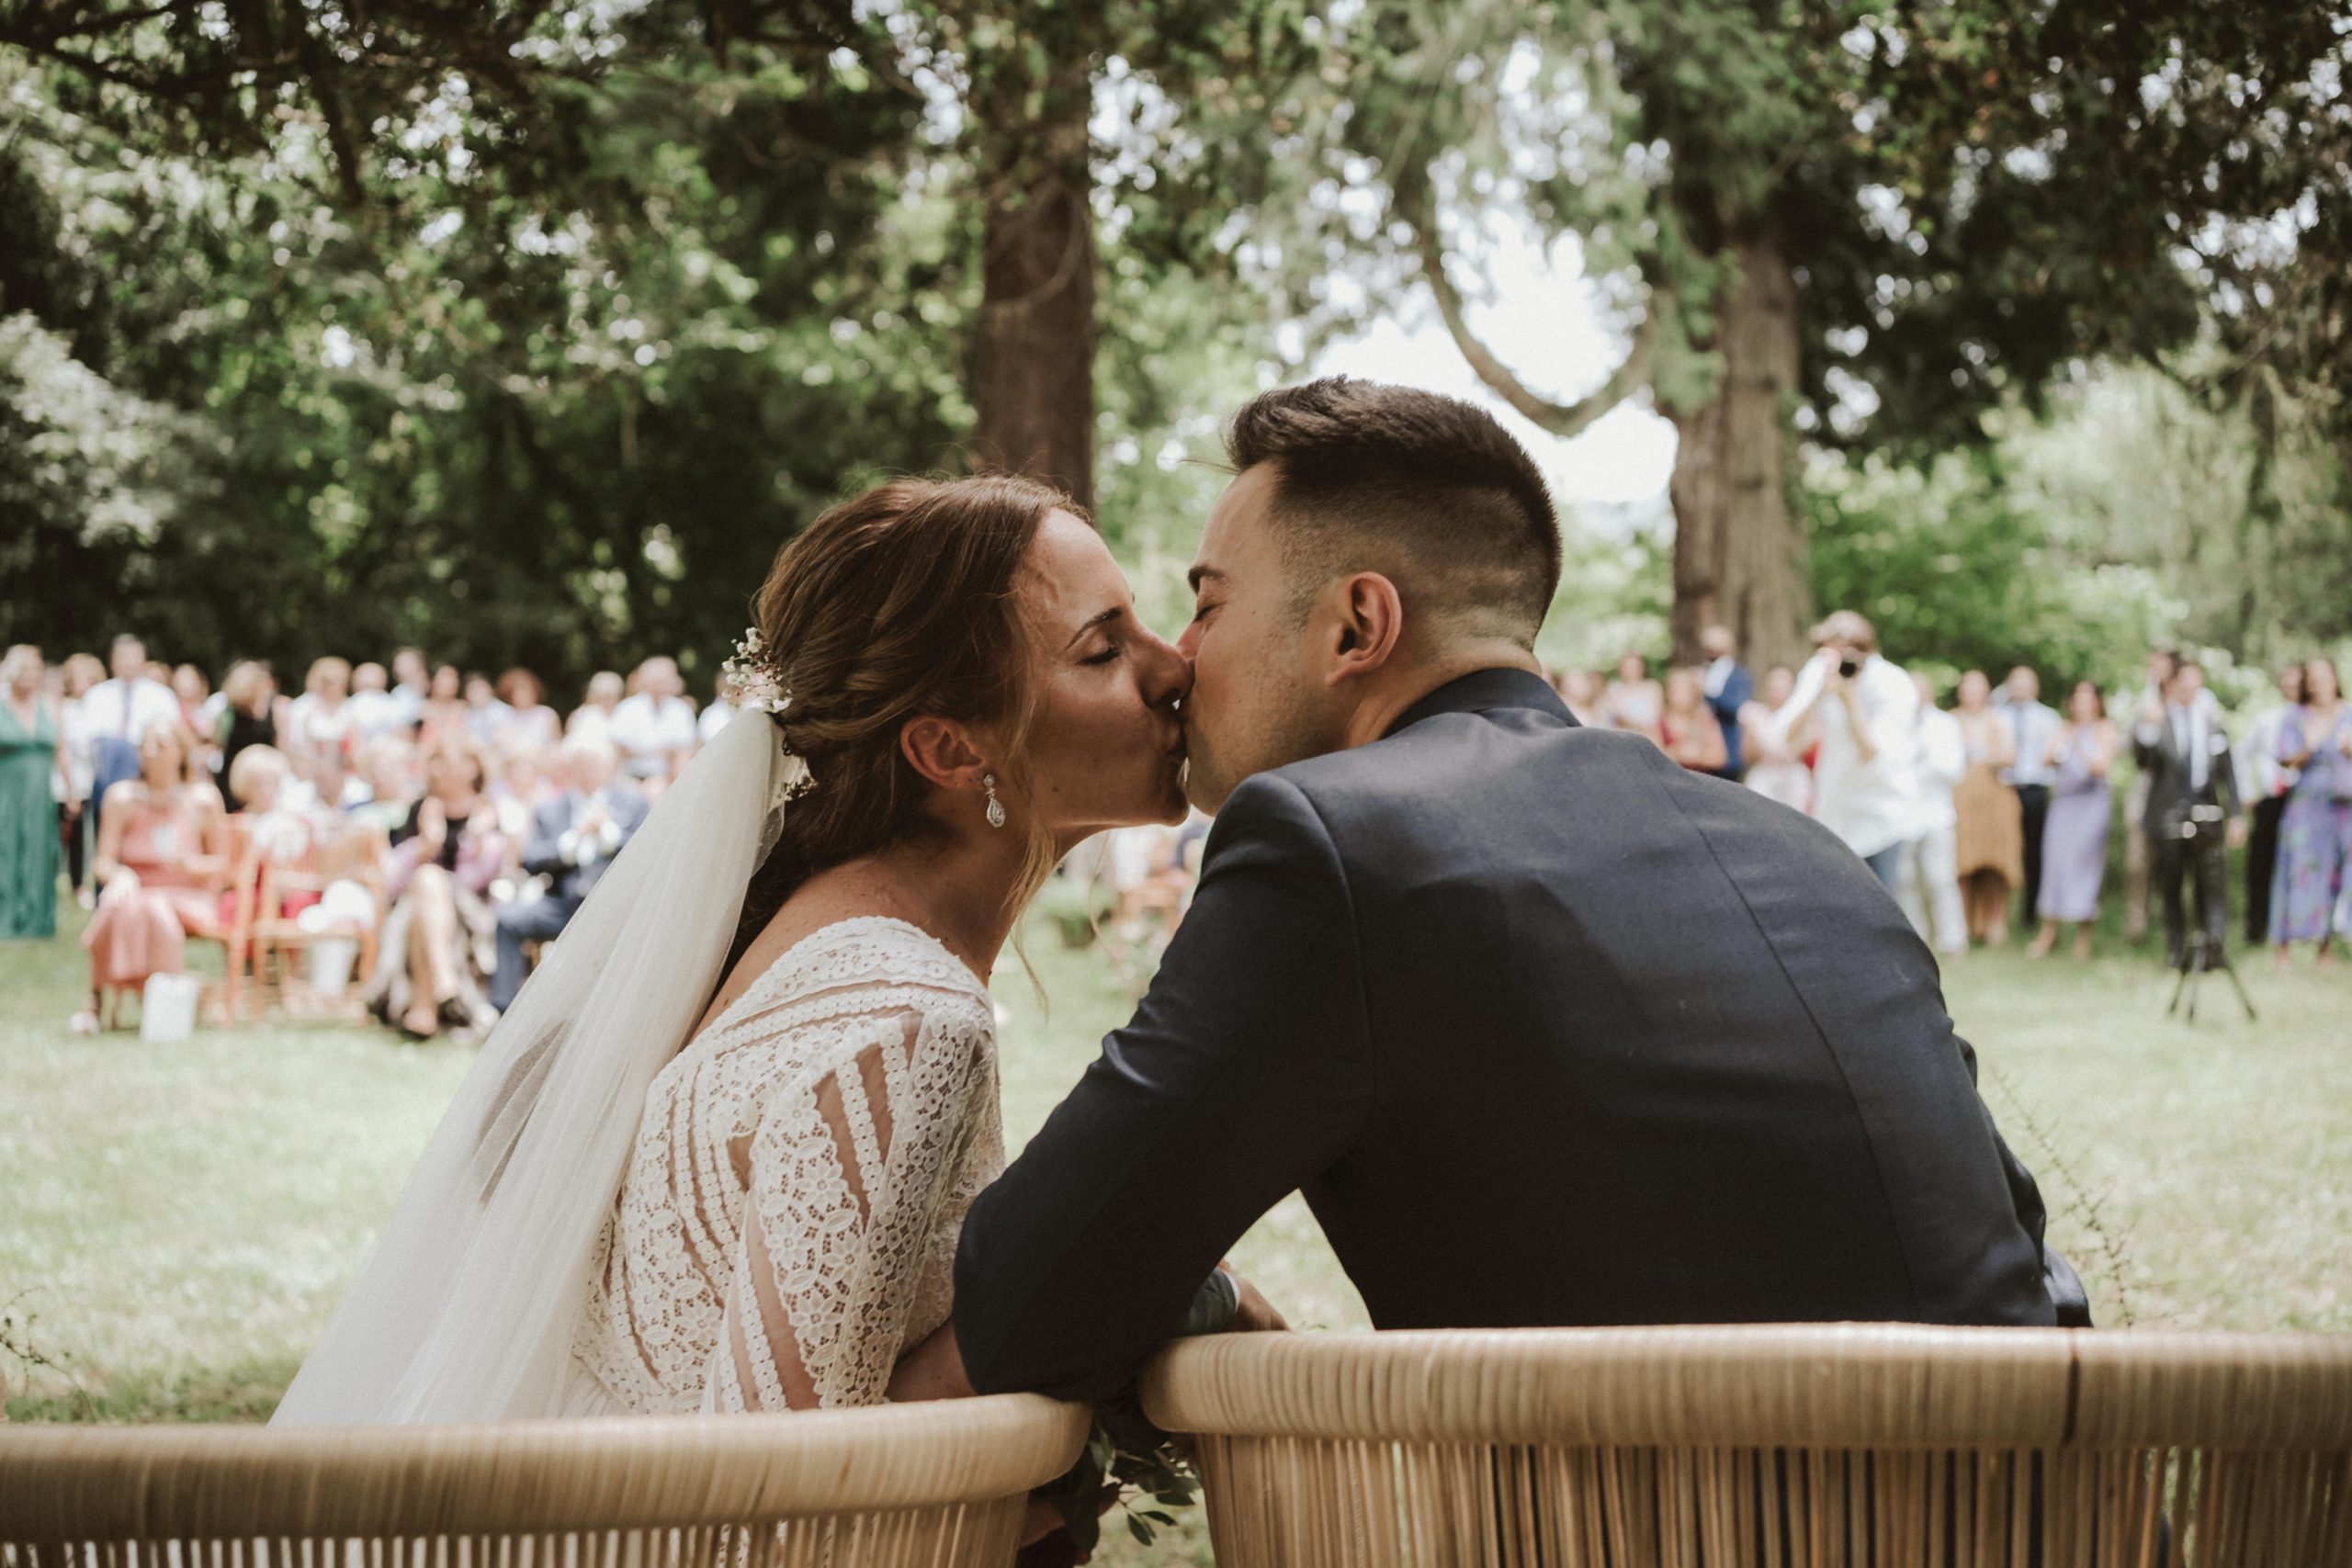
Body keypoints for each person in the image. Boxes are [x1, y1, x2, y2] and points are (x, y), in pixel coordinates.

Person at [944, 378, 2071, 1412]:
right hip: (2051, 1510)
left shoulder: (1333, 848)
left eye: (1207, 604)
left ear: (1356, 626)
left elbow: (1028, 1304)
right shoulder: (1812, 856)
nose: (1182, 657)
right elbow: (2023, 1257)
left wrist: (1213, 1298)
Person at [274, 471, 1214, 1460]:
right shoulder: (905, 1019)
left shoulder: (809, 930)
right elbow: (777, 1498)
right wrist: (1136, 1304)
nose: (1174, 665)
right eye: (1102, 650)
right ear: (947, 748)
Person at [75, 718, 228, 1032]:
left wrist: (191, 864)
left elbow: (223, 864)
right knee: (116, 904)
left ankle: (162, 999)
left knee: (151, 908)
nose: (150, 751)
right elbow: (102, 862)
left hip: (189, 892)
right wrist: (121, 875)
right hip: (136, 891)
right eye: (145, 744)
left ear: (181, 752)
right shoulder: (121, 797)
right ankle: (95, 1003)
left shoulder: (203, 799)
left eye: (161, 744)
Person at [1761, 611, 1929, 890]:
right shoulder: (1821, 670)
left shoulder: (1892, 682)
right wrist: (1819, 692)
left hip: (1884, 811)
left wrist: (1850, 700)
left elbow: (1871, 754)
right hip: (1837, 809)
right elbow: (1787, 738)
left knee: (1882, 898)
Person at [488, 737, 649, 1012]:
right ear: (571, 768)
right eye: (582, 765)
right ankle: (503, 1009)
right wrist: (569, 843)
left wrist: (608, 836)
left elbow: (648, 850)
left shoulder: (632, 803)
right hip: (560, 905)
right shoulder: (550, 808)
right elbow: (530, 858)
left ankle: (626, 1009)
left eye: (595, 765)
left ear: (609, 766)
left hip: (616, 906)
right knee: (508, 920)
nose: (588, 772)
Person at [370, 739, 507, 1041]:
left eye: (449, 761)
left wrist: (477, 841)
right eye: (436, 762)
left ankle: (424, 1009)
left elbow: (482, 878)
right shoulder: (420, 809)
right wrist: (426, 845)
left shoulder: (487, 812)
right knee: (425, 886)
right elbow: (393, 880)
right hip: (415, 906)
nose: (439, 770)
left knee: (429, 883)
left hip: (471, 909)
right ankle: (443, 987)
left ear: (473, 768)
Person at [2134, 659, 2242, 971]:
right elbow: (2143, 762)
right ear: (2173, 685)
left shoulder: (2212, 723)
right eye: (2183, 683)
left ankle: (2212, 949)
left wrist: (2236, 815)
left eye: (2194, 683)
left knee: (2210, 884)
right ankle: (2176, 949)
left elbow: (2228, 774)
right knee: (2171, 884)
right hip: (2168, 815)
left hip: (2207, 814)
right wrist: (2148, 728)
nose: (2188, 689)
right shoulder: (2160, 721)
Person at [2029, 681, 2119, 961]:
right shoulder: (2063, 727)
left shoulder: (2105, 728)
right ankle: (2049, 932)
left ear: (2097, 702)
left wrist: (2078, 741)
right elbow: (2045, 760)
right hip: (2064, 803)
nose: (2081, 704)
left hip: (2091, 805)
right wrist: (2062, 739)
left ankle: (2083, 936)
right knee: (2054, 865)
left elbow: (2099, 767)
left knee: (2086, 867)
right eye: (2077, 699)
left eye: (2087, 699)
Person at [2271, 657, 2351, 966]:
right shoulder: (2296, 716)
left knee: (2338, 872)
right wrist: (2309, 746)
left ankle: (2326, 948)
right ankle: (2283, 947)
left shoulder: (2349, 713)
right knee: (2296, 869)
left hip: (2345, 806)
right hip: (2307, 806)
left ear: (2335, 678)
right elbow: (2283, 759)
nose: (2320, 684)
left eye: (2324, 677)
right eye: (2313, 679)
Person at [1950, 670, 2024, 946]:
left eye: (1977, 688)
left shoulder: (1999, 719)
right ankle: (1963, 925)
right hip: (1961, 800)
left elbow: (2010, 756)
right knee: (1962, 864)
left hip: (1995, 800)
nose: (1972, 694)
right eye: (1967, 688)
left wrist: (1985, 754)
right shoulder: (1951, 720)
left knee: (1996, 864)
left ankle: (1995, 922)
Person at [1, 646, 67, 940]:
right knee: (6, 848)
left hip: (40, 793)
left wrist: (71, 790)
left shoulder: (49, 705)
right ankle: (6, 916)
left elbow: (61, 749)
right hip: (6, 791)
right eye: (25, 670)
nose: (30, 676)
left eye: (35, 670)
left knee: (40, 848)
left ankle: (37, 918)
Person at [1902, 673, 1968, 959]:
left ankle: (1952, 941)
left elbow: (1954, 769)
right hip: (1900, 817)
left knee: (1941, 879)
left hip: (1937, 814)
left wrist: (1921, 757)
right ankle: (1913, 940)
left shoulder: (1944, 724)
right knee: (1904, 882)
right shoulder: (1894, 722)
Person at [2242, 663, 2307, 947]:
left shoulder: (2313, 720)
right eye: (2287, 684)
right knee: (2261, 864)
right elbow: (2241, 754)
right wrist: (2247, 792)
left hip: (2304, 800)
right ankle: (2257, 927)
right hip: (2270, 800)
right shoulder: (2268, 720)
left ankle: (2297, 928)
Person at [1996, 666, 2063, 937]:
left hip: (2034, 789)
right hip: (2004, 789)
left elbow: (2057, 755)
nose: (2021, 689)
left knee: (2034, 852)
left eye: (2026, 683)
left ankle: (2031, 913)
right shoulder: (1998, 715)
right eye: (2016, 683)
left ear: (2035, 687)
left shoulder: (2048, 717)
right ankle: (1998, 917)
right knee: (2003, 851)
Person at [80, 635, 181, 814]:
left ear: (144, 660)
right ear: (112, 661)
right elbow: (86, 740)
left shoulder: (161, 696)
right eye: (123, 657)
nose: (128, 663)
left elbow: (173, 738)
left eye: (133, 657)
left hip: (147, 778)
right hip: (105, 776)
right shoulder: (96, 696)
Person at [2120, 649, 2178, 943]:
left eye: (2160, 665)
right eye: (2151, 666)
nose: (2154, 670)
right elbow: (2128, 746)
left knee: (2174, 862)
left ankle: (2172, 923)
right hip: (2146, 787)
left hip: (2177, 791)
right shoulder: (2143, 701)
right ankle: (2137, 925)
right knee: (2137, 862)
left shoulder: (2193, 700)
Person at [55, 652, 105, 907]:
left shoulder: (98, 708)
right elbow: (64, 747)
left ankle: (81, 884)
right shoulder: (65, 709)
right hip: (66, 783)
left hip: (92, 781)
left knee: (85, 838)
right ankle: (62, 883)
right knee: (68, 836)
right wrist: (71, 789)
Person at [608, 657, 699, 784]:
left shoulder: (681, 710)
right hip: (630, 776)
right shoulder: (627, 708)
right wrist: (650, 751)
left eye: (664, 681)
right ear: (645, 682)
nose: (660, 687)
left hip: (668, 777)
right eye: (656, 681)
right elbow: (617, 748)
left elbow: (686, 748)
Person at [1739, 664, 1812, 814]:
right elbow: (1746, 755)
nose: (1778, 686)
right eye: (1774, 681)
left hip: (1793, 779)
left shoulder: (1804, 717)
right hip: (1763, 776)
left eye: (1782, 681)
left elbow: (1804, 750)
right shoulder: (1754, 713)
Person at [213, 660, 279, 809]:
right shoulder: (229, 712)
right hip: (234, 777)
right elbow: (218, 743)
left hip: (265, 778)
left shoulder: (272, 707)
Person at [1698, 624, 1753, 781]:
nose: (1711, 650)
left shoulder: (1739, 676)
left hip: (1729, 752)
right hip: (1700, 753)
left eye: (1716, 646)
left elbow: (1736, 708)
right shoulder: (1702, 671)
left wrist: (1708, 692)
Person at [1656, 666, 1728, 773]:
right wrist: (1678, 753)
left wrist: (1698, 756)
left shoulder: (1705, 718)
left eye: (1685, 691)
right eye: (1676, 691)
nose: (1680, 697)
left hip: (1699, 778)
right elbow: (1653, 756)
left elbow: (1720, 758)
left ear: (1693, 693)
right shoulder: (1661, 721)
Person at [497, 668, 562, 752]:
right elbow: (502, 745)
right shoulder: (505, 716)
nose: (523, 696)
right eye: (518, 692)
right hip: (514, 756)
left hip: (542, 755)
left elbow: (556, 743)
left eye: (526, 691)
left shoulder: (547, 714)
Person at [1601, 651, 1662, 739]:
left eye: (1634, 666)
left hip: (1649, 737)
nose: (1631, 670)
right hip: (1622, 737)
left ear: (1642, 667)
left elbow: (1657, 722)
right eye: (1627, 667)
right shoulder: (1614, 688)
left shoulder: (1652, 687)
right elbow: (1617, 718)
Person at [566, 671, 625, 746]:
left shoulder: (623, 716)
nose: (604, 701)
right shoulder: (579, 715)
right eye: (599, 696)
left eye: (609, 697)